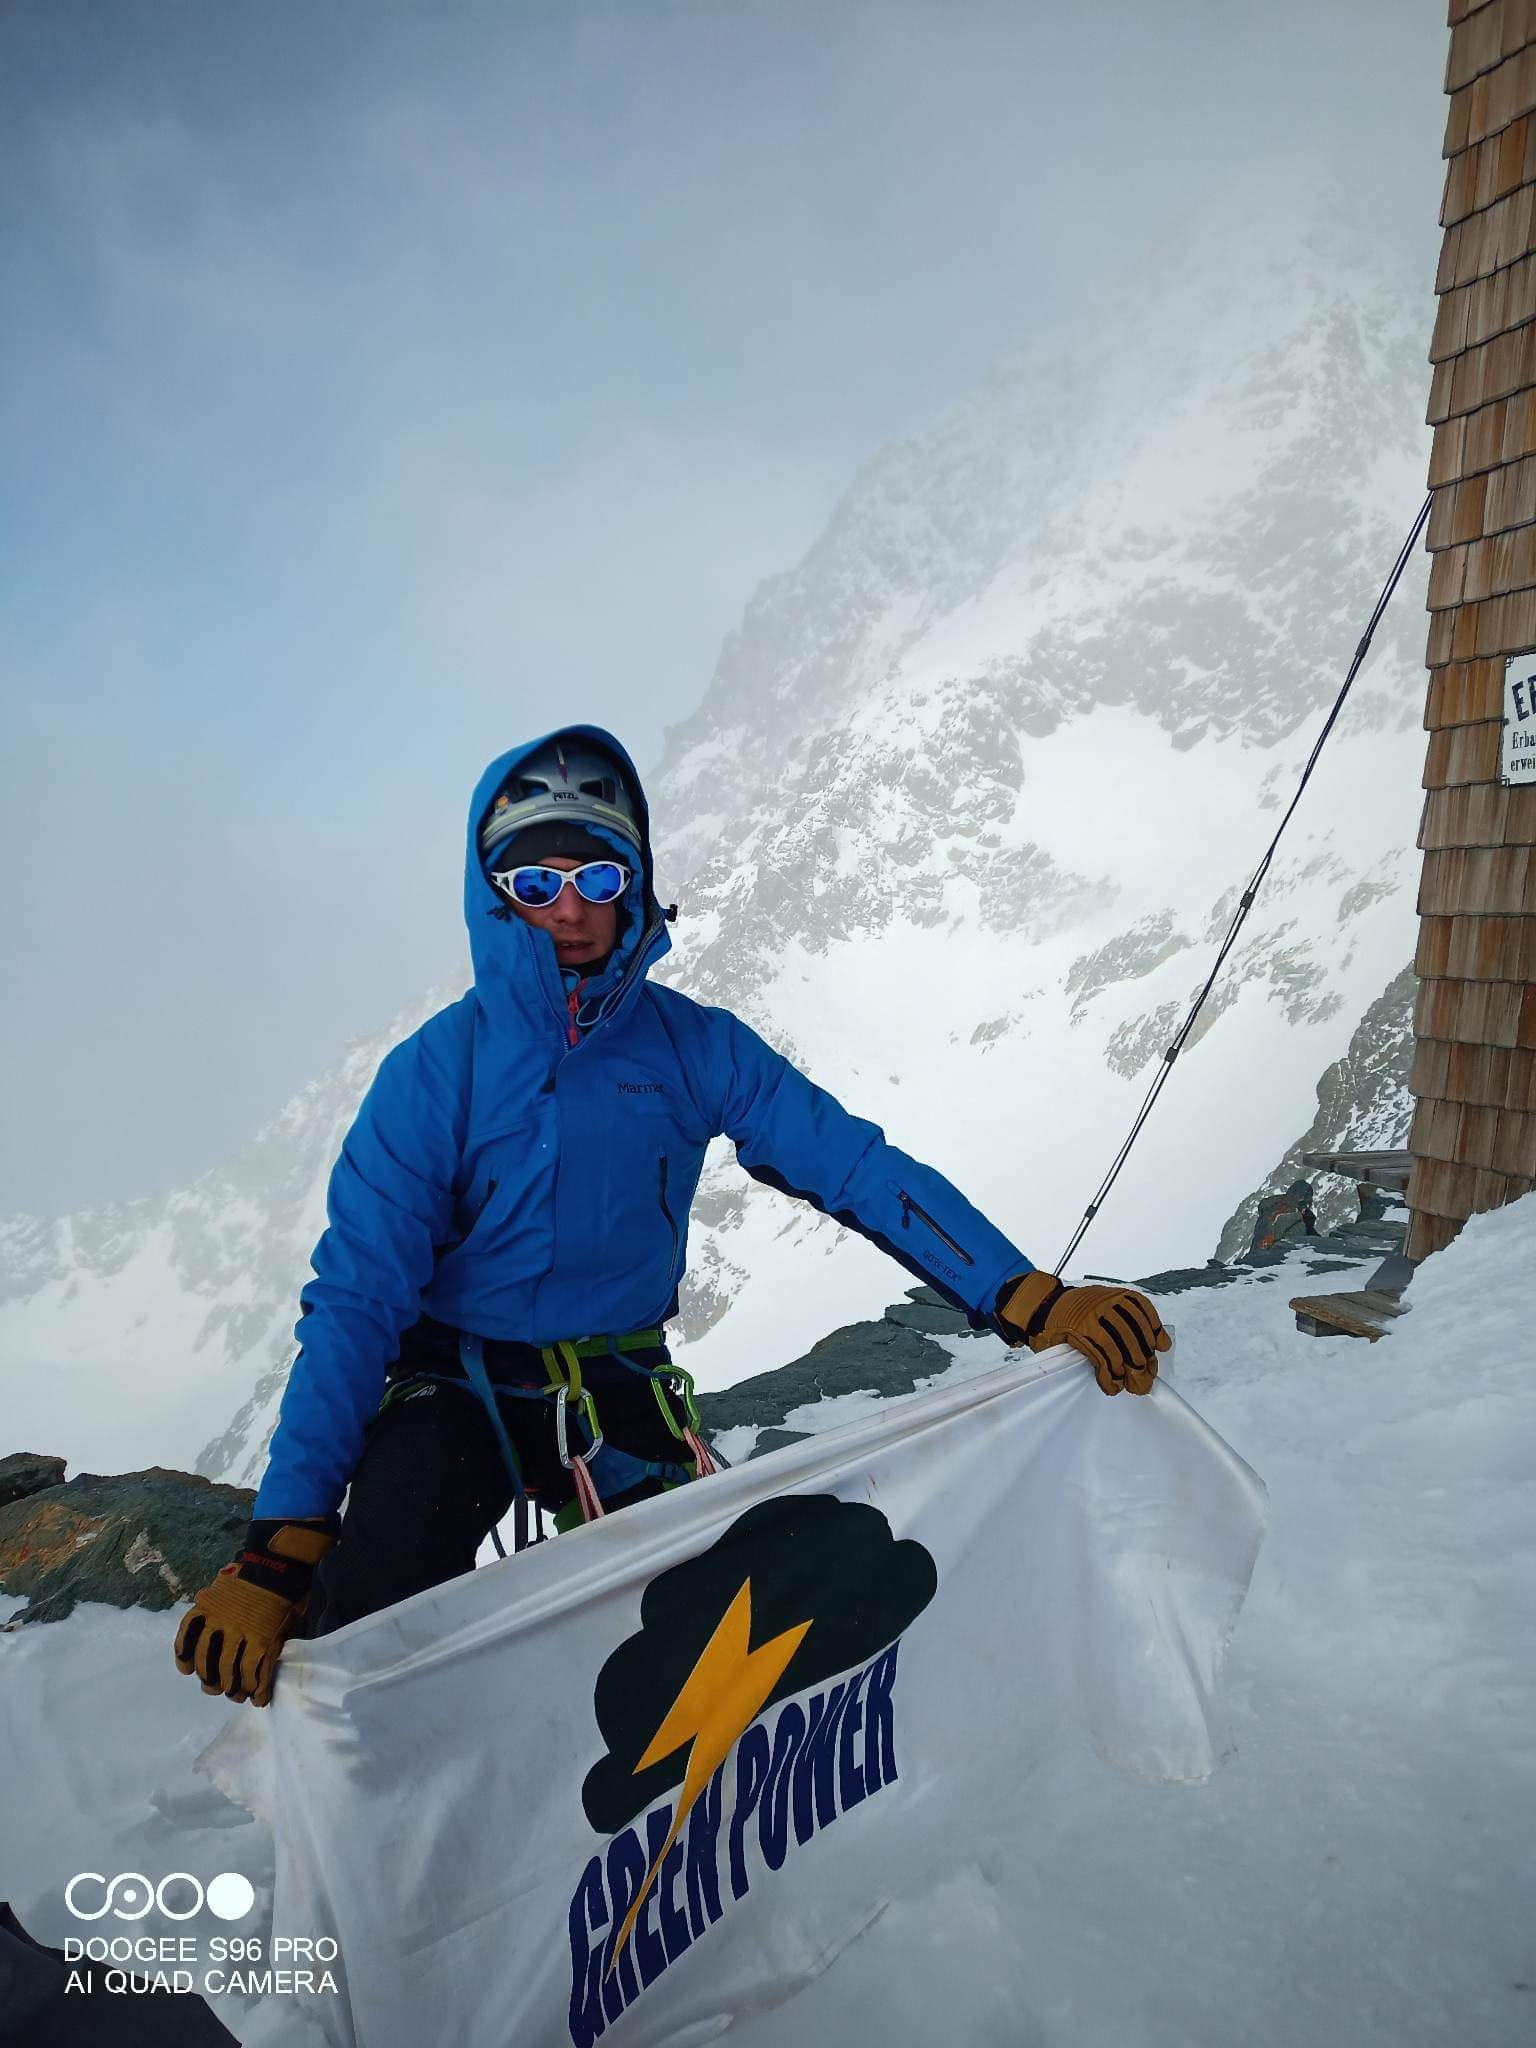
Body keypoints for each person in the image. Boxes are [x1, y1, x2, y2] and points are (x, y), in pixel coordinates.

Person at [174, 727, 1170, 1708]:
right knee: (368, 1625)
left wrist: (1025, 1295)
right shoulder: (435, 1074)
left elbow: (853, 1165)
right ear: (495, 896)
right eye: (537, 883)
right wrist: (281, 1548)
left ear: (636, 885)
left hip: (615, 1377)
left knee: (723, 1631)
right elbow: (357, 1301)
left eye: (599, 878)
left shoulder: (693, 1046)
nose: (571, 910)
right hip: (457, 1385)